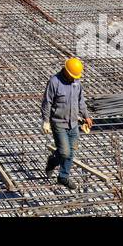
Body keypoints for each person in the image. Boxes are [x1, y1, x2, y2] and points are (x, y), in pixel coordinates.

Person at [41, 56, 92, 190]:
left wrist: (86, 116)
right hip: (59, 123)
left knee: (71, 151)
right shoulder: (54, 82)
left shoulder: (76, 83)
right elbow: (47, 102)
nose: (74, 78)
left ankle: (63, 177)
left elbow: (80, 101)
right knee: (64, 152)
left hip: (73, 123)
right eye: (72, 76)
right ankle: (52, 161)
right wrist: (46, 121)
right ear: (66, 71)